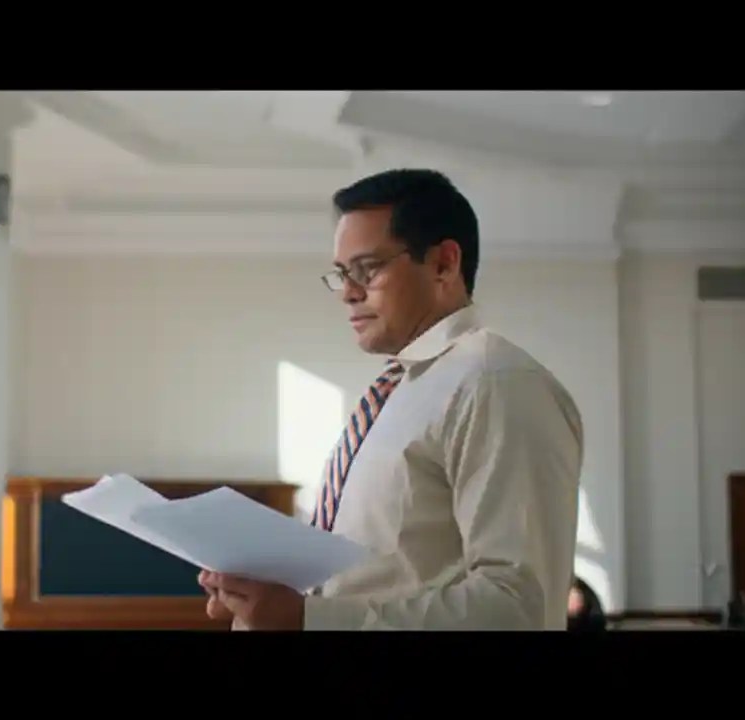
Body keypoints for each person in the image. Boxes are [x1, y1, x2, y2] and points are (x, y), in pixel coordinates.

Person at [198, 168, 584, 630]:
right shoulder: (401, 393)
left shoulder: (496, 384)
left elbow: (519, 607)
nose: (348, 293)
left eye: (367, 269)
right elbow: (377, 582)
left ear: (443, 264)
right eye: (342, 274)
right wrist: (265, 597)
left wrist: (310, 620)